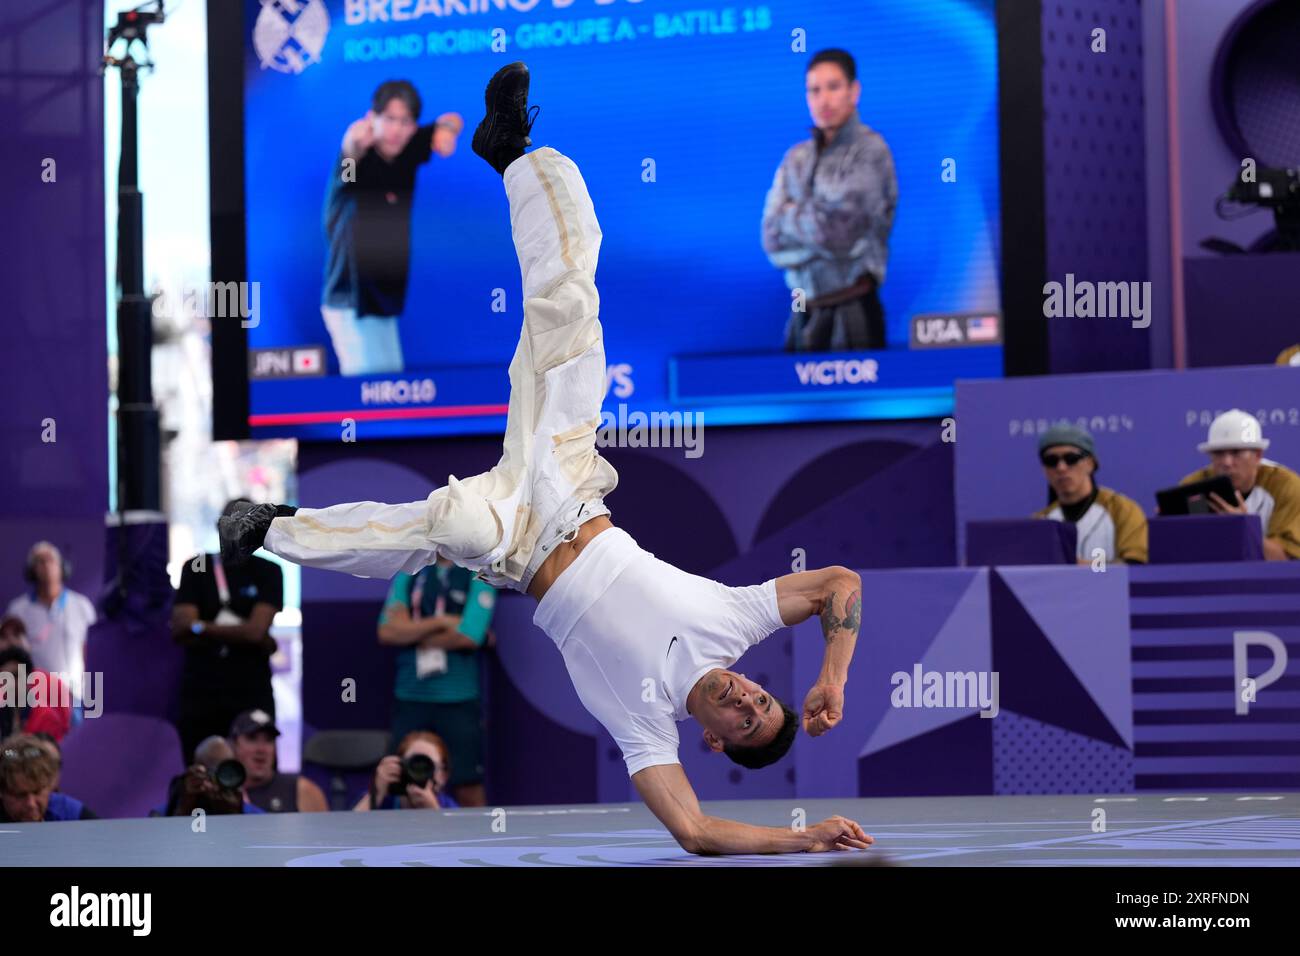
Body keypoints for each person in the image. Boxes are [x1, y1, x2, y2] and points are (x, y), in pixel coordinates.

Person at [220, 63, 871, 856]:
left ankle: (267, 529)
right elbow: (841, 584)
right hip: (569, 488)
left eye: (744, 721)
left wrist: (800, 842)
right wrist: (832, 677)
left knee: (452, 525)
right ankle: (514, 152)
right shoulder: (733, 625)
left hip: (518, 550)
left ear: (714, 743)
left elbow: (696, 832)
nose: (744, 697)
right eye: (761, 697)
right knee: (572, 304)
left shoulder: (645, 724)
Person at [321, 79, 464, 375]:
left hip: (383, 299)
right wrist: (352, 146)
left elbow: (452, 119)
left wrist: (446, 130)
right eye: (389, 119)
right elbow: (348, 160)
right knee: (369, 393)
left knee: (391, 390)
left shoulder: (408, 150)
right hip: (351, 299)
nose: (397, 129)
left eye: (405, 121)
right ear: (371, 118)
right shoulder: (355, 160)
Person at [762, 48, 898, 352]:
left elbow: (839, 236)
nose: (823, 99)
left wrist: (790, 216)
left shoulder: (870, 151)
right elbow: (771, 238)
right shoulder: (795, 158)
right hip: (801, 311)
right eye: (814, 90)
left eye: (833, 87)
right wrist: (816, 223)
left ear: (854, 91)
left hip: (852, 309)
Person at [378, 553, 496, 807]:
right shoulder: (409, 574)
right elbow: (387, 632)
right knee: (402, 783)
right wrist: (444, 621)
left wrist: (410, 633)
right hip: (410, 697)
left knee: (468, 786)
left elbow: (470, 636)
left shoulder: (479, 574)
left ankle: (481, 846)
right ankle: (401, 846)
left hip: (458, 699)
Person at [170, 505, 284, 765]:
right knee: (200, 771)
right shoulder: (196, 567)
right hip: (202, 693)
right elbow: (180, 628)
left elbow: (256, 631)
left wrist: (202, 627)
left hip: (250, 690)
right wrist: (249, 635)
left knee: (258, 770)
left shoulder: (269, 571)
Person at [1179, 409, 1300, 561]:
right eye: (1218, 453)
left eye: (1236, 453)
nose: (1227, 463)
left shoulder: (1286, 486)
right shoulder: (1193, 487)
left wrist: (1243, 527)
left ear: (1257, 456)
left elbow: (1286, 560)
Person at [1031, 424, 1148, 565]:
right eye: (1051, 461)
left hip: (1112, 587)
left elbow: (1135, 563)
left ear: (1090, 463)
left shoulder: (1121, 509)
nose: (1061, 468)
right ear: (1044, 469)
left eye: (1071, 458)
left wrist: (1085, 566)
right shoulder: (1040, 522)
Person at [5, 542, 96, 703]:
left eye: (50, 560)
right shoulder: (18, 610)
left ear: (62, 567)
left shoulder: (82, 606)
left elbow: (91, 652)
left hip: (75, 697)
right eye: (40, 561)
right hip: (35, 700)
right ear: (32, 571)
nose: (46, 565)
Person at [229, 709, 329, 813]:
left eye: (268, 740)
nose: (261, 749)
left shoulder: (303, 791)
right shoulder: (219, 794)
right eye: (252, 738)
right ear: (234, 745)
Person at [0, 615, 72, 742]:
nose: (11, 641)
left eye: (17, 635)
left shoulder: (52, 686)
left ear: (28, 644)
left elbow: (65, 733)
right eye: (3, 637)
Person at [0, 733, 96, 822]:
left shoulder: (68, 811)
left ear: (49, 786)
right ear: (2, 792)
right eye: (20, 795)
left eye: (37, 792)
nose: (31, 804)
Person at [354, 731, 459, 811]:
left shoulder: (447, 806)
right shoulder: (384, 800)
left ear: (443, 775)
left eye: (428, 765)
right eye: (413, 763)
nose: (419, 771)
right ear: (399, 765)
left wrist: (433, 809)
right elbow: (349, 830)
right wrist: (376, 793)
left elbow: (456, 837)